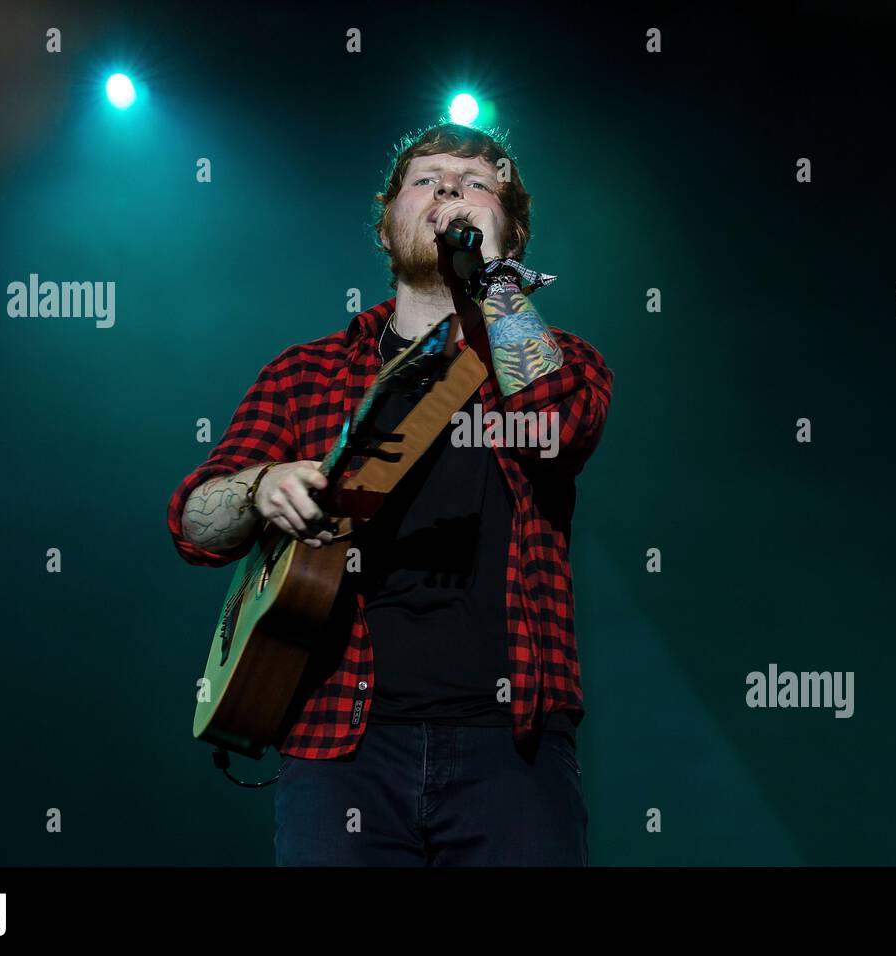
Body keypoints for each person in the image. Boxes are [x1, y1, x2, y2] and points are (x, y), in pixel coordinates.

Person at [166, 122, 612, 865]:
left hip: (514, 749)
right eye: (426, 179)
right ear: (387, 220)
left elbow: (556, 427)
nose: (448, 190)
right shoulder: (304, 373)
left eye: (476, 183)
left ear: (514, 229)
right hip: (339, 751)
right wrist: (260, 486)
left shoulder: (563, 359)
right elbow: (194, 525)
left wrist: (494, 278)